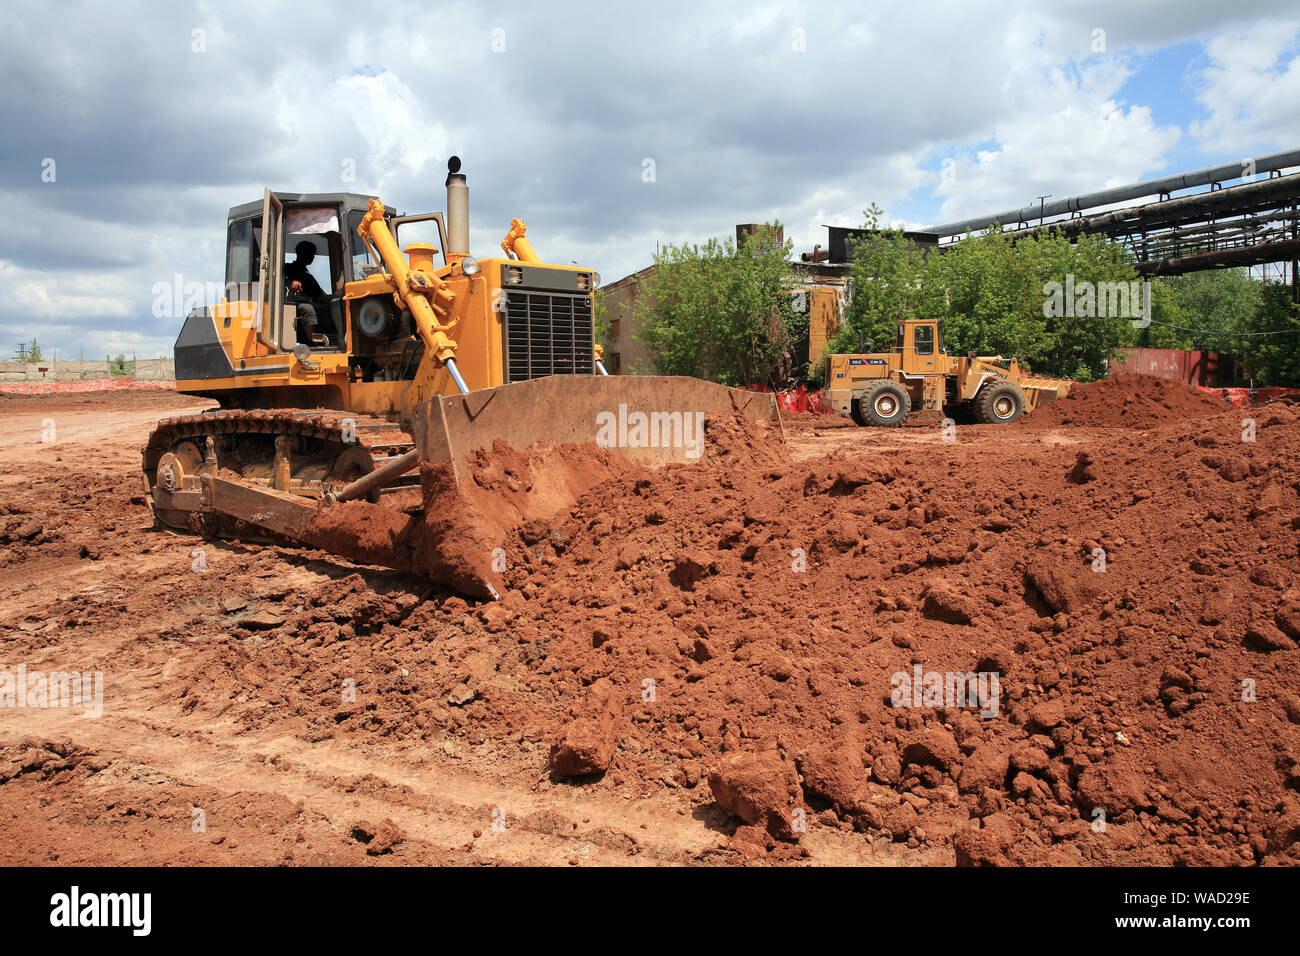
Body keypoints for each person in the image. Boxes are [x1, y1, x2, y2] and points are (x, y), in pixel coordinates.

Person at [285, 241, 328, 342]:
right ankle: (311, 342)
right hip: (290, 302)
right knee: (308, 309)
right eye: (310, 253)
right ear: (300, 253)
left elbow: (322, 296)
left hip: (310, 301)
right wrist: (290, 282)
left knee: (330, 308)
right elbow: (275, 280)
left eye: (313, 254)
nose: (312, 257)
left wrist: (337, 295)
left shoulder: (309, 277)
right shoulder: (287, 268)